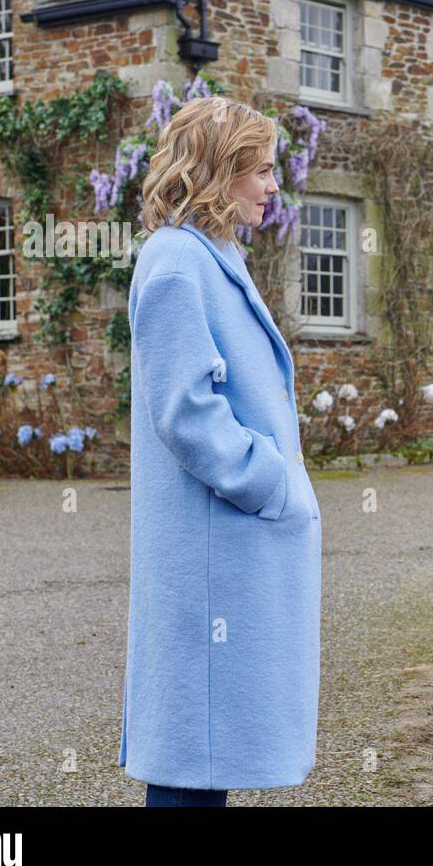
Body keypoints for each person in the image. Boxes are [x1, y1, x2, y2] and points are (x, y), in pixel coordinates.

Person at [119, 96, 323, 807]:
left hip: (224, 551)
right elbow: (186, 413)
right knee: (189, 760)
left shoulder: (212, 254)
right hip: (211, 554)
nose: (274, 187)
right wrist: (270, 481)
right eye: (259, 171)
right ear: (213, 172)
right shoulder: (177, 261)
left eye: (272, 171)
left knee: (205, 753)